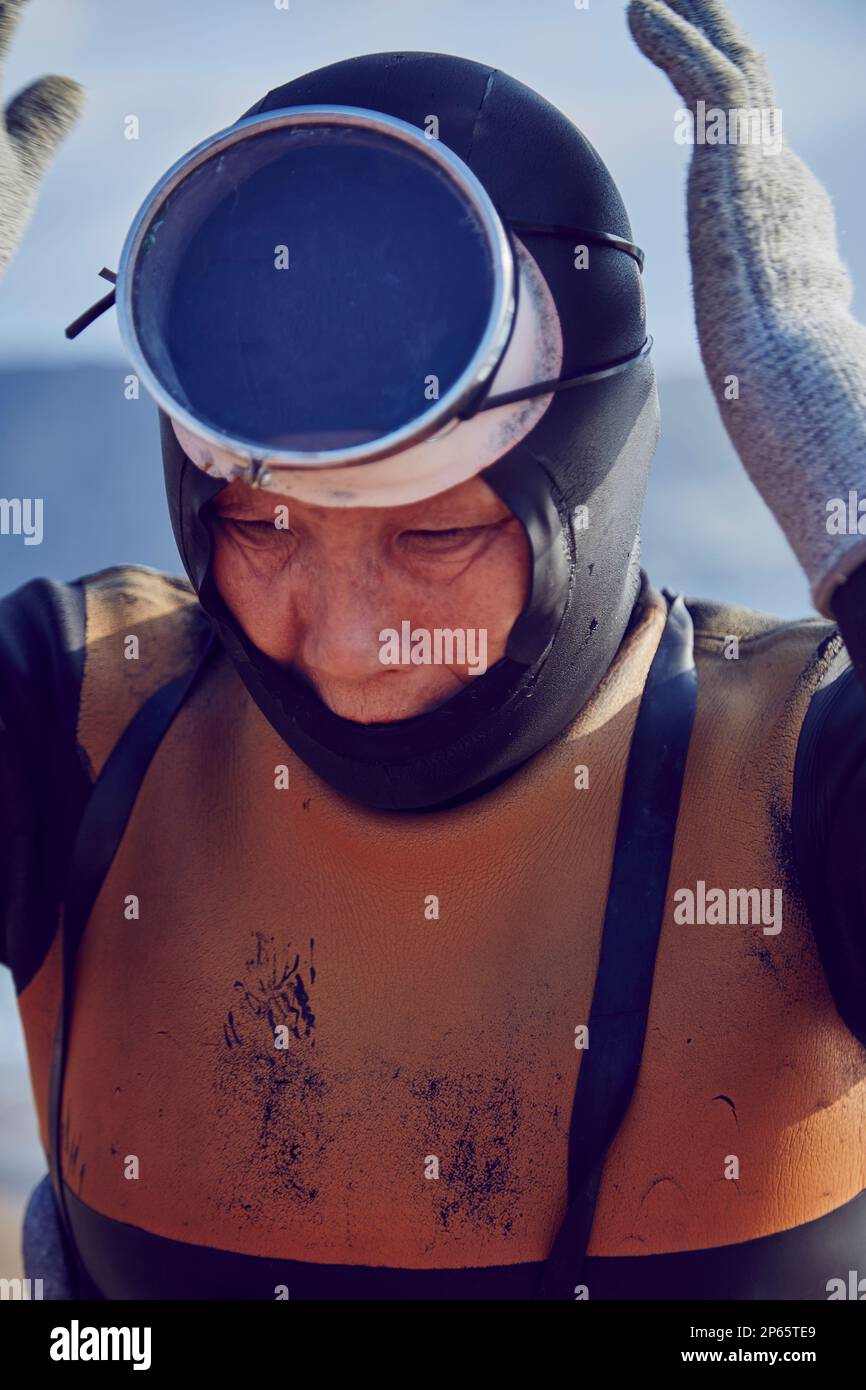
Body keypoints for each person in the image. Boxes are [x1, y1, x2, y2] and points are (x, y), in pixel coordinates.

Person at [2, 0, 866, 1301]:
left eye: (433, 540)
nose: (343, 642)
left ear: (579, 472)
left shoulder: (800, 772)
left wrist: (837, 460)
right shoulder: (78, 719)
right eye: (262, 525)